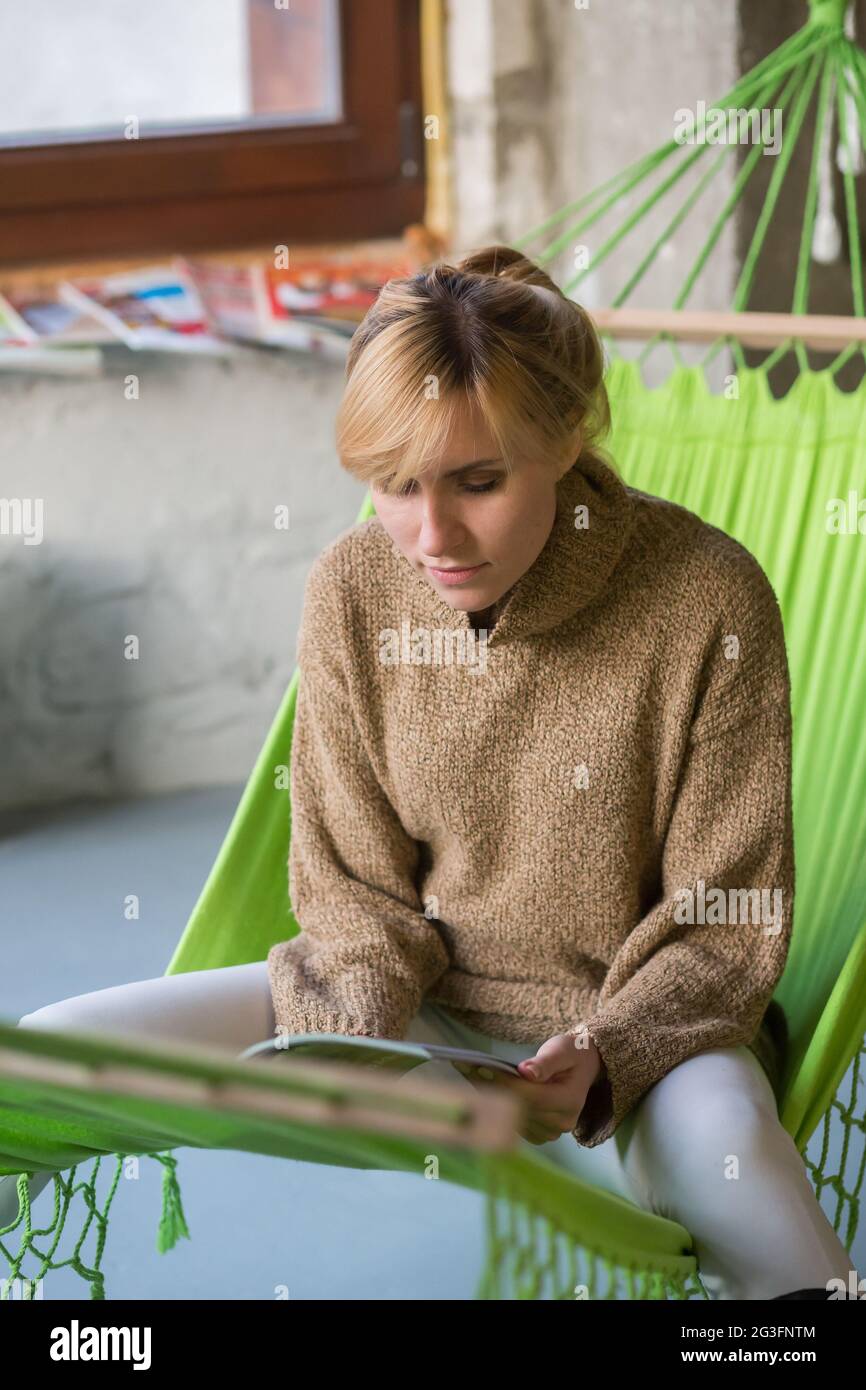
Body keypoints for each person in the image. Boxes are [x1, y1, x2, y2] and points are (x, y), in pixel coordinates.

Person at [17, 245, 858, 1301]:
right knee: (41, 1061)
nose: (431, 534)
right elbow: (352, 889)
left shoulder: (706, 595)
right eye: (394, 485)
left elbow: (721, 924)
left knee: (767, 1230)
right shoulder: (352, 588)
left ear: (563, 439)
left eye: (478, 481)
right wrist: (353, 1047)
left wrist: (605, 1048)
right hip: (411, 1008)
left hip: (637, 1038)